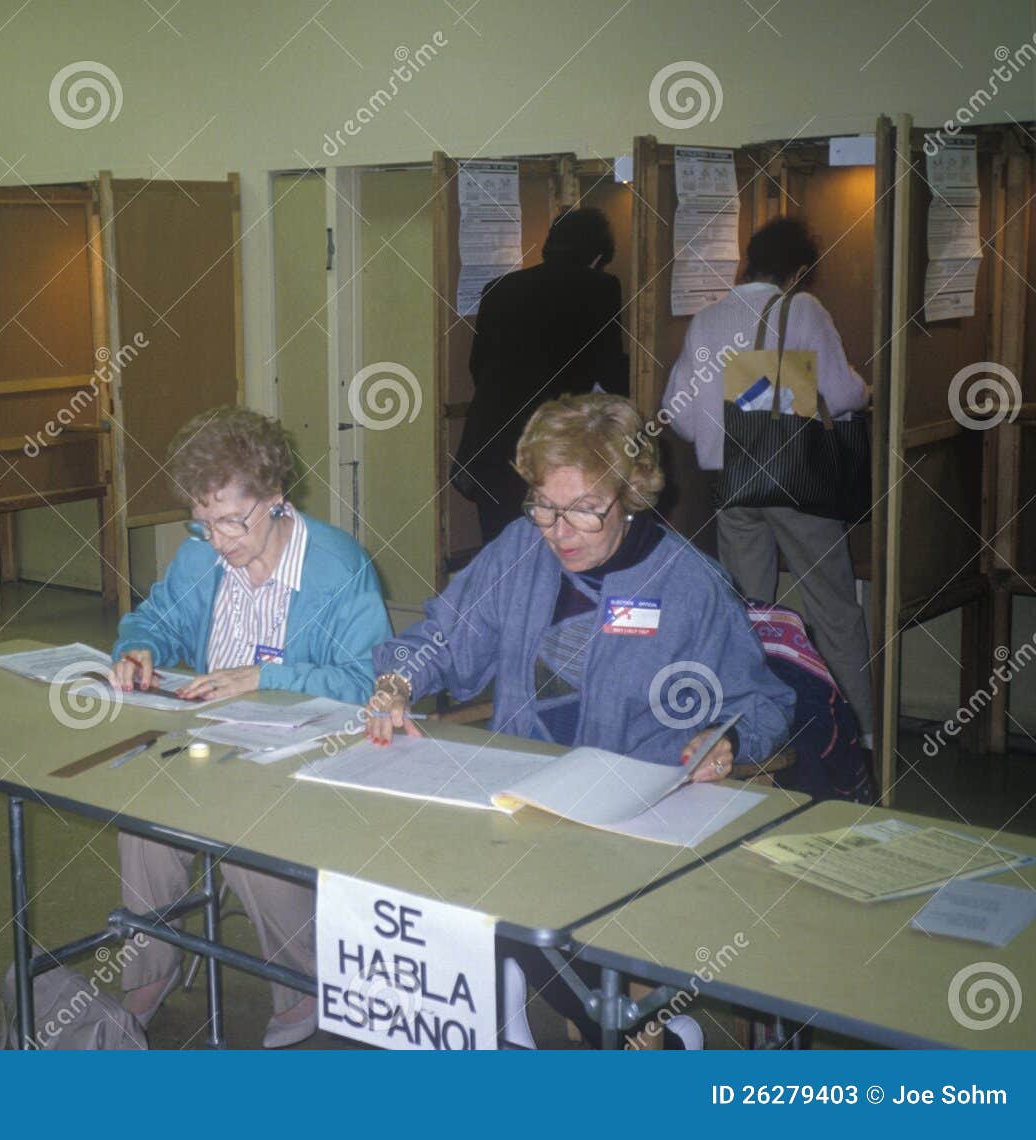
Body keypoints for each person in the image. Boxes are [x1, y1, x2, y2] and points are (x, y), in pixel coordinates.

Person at [365, 393, 794, 1046]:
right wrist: (399, 680)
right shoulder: (519, 551)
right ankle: (564, 1020)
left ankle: (600, 1016)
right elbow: (446, 638)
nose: (559, 531)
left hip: (636, 818)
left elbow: (762, 701)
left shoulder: (688, 584)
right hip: (526, 804)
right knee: (418, 877)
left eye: (585, 511)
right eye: (544, 505)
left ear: (631, 495)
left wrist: (726, 738)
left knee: (528, 910)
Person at [108, 405, 392, 1048]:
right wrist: (140, 647)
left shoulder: (337, 568)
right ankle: (149, 969)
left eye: (234, 519)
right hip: (218, 740)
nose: (219, 539)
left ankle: (303, 983)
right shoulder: (199, 557)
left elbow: (365, 684)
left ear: (276, 498)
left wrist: (268, 677)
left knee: (249, 832)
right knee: (146, 821)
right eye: (203, 522)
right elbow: (154, 620)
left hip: (311, 753)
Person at [661, 216, 874, 747]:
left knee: (749, 614)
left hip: (733, 487)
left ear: (748, 261)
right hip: (798, 482)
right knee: (834, 609)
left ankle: (752, 736)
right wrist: (864, 389)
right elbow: (842, 395)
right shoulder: (801, 308)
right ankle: (862, 735)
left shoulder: (707, 318)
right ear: (800, 270)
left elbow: (678, 415)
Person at [453, 207, 629, 544]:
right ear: (597, 255)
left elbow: (478, 365)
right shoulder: (601, 287)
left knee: (501, 545)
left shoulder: (499, 288)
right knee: (554, 540)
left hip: (492, 438)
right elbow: (608, 367)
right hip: (552, 439)